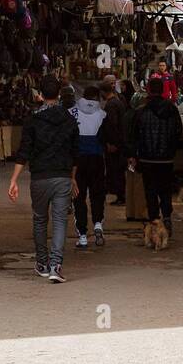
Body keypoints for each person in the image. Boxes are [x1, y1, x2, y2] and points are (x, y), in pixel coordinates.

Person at [8, 76, 79, 283]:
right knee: (59, 221)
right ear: (59, 94)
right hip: (62, 177)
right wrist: (73, 178)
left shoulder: (33, 120)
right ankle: (56, 266)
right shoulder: (69, 120)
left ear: (40, 93)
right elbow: (76, 152)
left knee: (40, 219)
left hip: (39, 178)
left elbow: (24, 152)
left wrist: (14, 179)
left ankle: (42, 263)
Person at [127, 75, 183, 235]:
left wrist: (133, 156)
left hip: (147, 159)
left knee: (150, 191)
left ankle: (154, 220)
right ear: (163, 89)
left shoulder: (141, 111)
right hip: (166, 159)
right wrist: (171, 149)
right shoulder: (172, 109)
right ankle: (166, 217)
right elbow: (178, 131)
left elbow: (134, 136)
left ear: (149, 90)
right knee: (165, 190)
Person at [71, 85, 108, 248]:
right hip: (97, 158)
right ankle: (98, 224)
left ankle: (83, 235)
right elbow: (106, 136)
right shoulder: (102, 114)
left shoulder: (72, 112)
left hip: (78, 160)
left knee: (78, 196)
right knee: (97, 193)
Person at [100, 76, 128, 205]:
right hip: (120, 141)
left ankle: (121, 196)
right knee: (118, 171)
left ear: (104, 93)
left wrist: (112, 143)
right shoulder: (118, 102)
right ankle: (121, 195)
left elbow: (112, 125)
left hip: (115, 144)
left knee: (116, 170)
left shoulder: (111, 105)